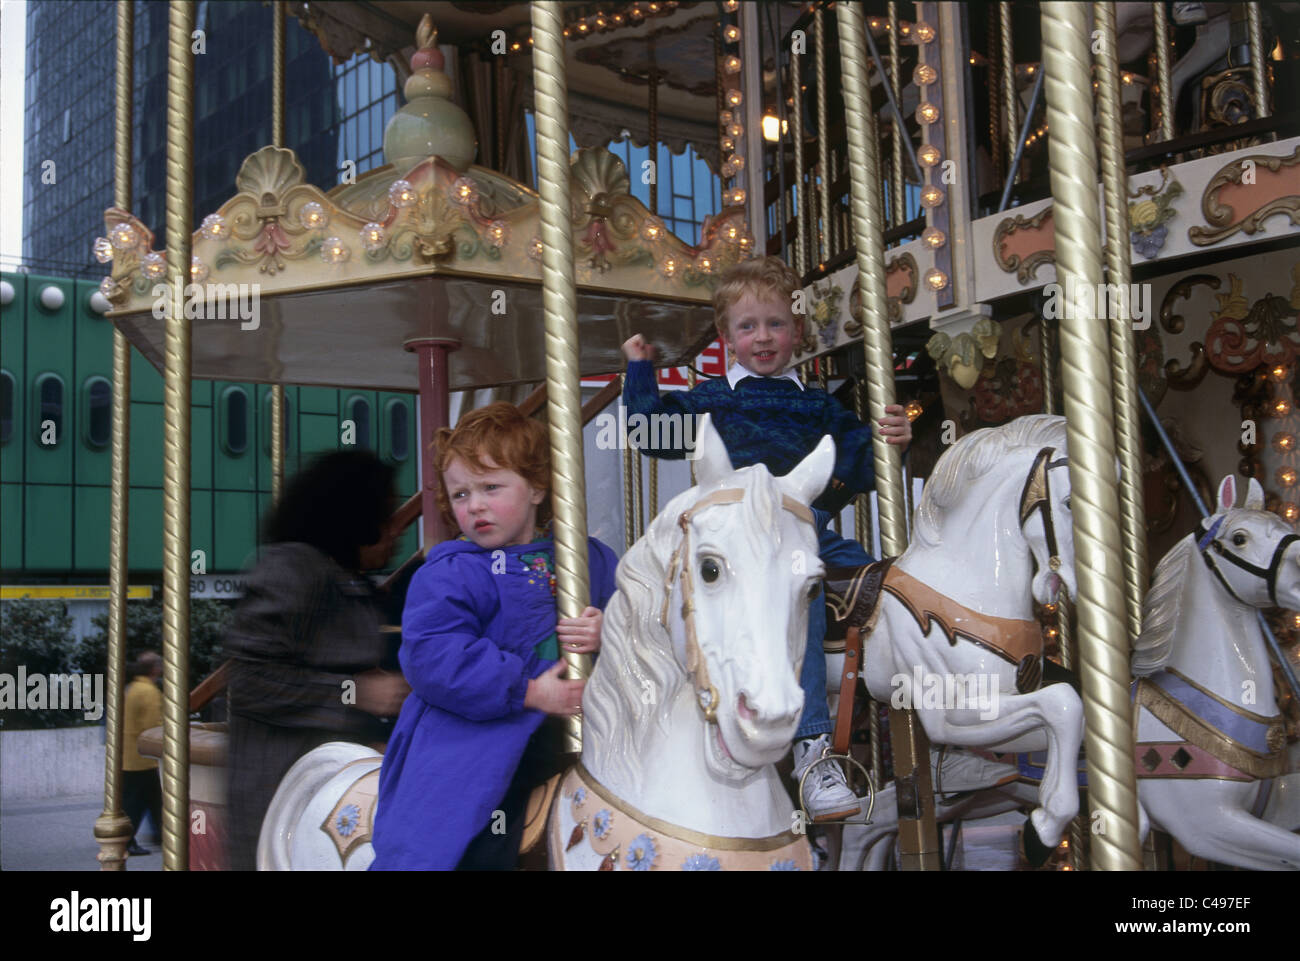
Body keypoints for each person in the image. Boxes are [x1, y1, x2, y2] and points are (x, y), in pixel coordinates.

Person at [621, 255, 911, 821]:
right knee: (792, 597)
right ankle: (812, 748)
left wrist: (892, 441)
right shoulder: (711, 401)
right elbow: (647, 430)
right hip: (739, 547)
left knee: (891, 587)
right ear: (727, 338)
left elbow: (862, 466)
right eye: (748, 326)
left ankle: (921, 719)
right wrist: (639, 371)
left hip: (807, 533)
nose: (763, 337)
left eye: (776, 324)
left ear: (797, 331)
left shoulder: (818, 406)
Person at [370, 403, 618, 870]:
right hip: (475, 739)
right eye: (460, 494)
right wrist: (527, 690)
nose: (475, 505)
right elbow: (434, 656)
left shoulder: (589, 560)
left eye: (490, 487)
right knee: (468, 834)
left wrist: (610, 629)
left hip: (593, 732)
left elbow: (644, 619)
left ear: (538, 487)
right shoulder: (452, 571)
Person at [223, 450, 410, 871]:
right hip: (288, 804)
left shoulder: (341, 577)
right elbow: (253, 680)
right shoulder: (292, 569)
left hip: (329, 799)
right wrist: (356, 692)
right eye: (386, 514)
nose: (397, 529)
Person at [122, 651, 163, 856]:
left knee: (153, 799)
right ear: (154, 669)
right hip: (143, 758)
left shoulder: (132, 688)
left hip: (130, 755)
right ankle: (126, 841)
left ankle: (162, 834)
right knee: (136, 804)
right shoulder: (149, 692)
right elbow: (151, 727)